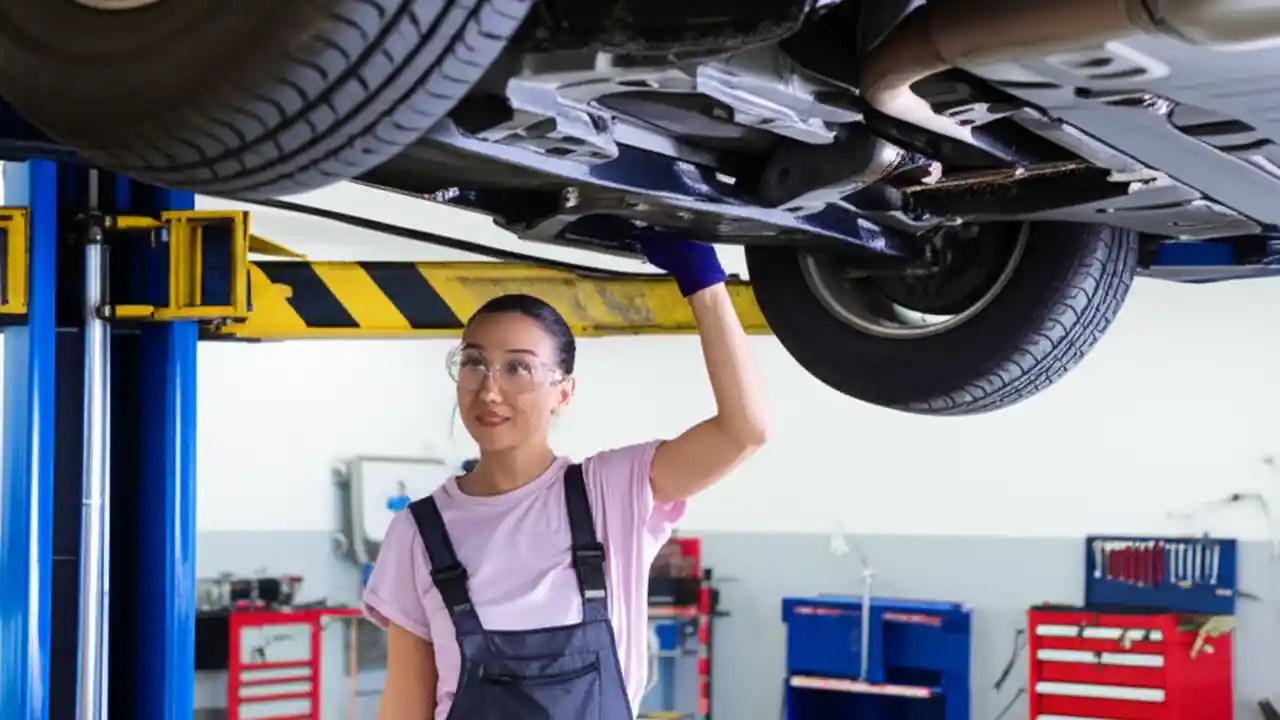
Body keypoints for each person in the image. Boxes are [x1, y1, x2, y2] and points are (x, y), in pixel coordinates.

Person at [362, 231, 769, 720]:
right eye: (474, 363)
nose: (490, 390)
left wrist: (705, 283)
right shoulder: (418, 532)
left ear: (564, 392)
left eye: (518, 368)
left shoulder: (610, 492)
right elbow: (404, 708)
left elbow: (744, 430)